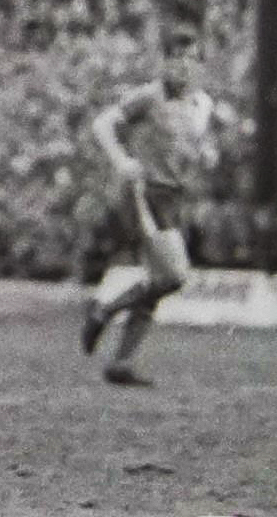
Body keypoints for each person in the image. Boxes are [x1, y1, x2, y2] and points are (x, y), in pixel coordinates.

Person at [77, 27, 224, 387]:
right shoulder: (148, 96)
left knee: (160, 280)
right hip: (145, 193)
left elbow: (197, 147)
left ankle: (120, 363)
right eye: (176, 58)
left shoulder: (200, 104)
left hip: (173, 195)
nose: (183, 66)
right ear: (165, 62)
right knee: (174, 275)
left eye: (190, 58)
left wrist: (207, 154)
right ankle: (104, 311)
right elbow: (103, 124)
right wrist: (122, 160)